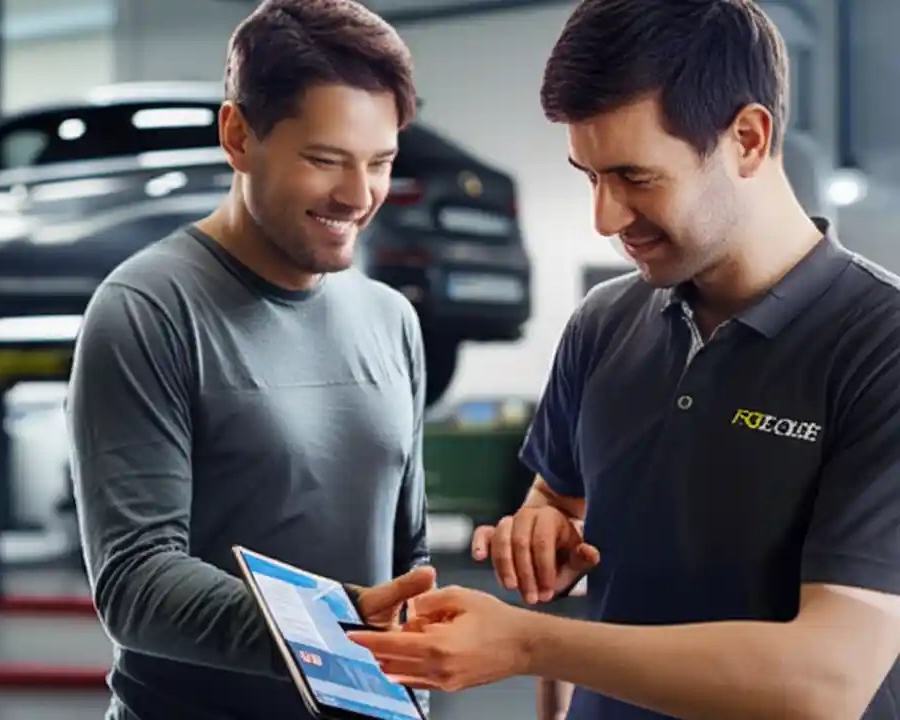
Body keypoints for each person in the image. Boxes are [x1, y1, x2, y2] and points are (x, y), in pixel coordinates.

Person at [348, 1, 900, 719]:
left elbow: (824, 683)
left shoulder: (879, 347)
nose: (605, 219)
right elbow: (560, 500)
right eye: (589, 176)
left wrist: (529, 644)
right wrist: (543, 527)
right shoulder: (604, 323)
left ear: (748, 139)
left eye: (636, 177)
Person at [65, 1, 436, 718]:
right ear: (238, 136)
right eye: (325, 160)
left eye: (380, 163)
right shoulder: (147, 309)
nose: (358, 197)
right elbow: (136, 582)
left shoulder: (392, 320)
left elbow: (407, 557)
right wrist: (332, 632)